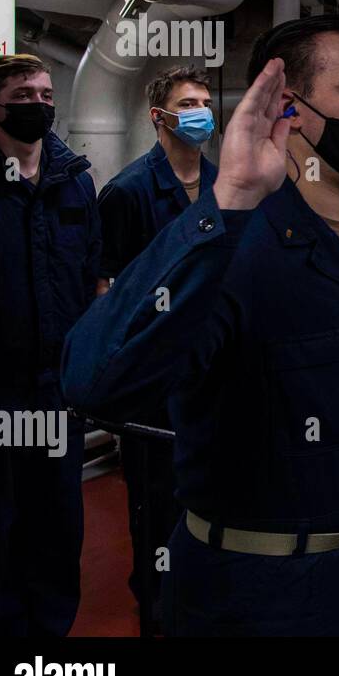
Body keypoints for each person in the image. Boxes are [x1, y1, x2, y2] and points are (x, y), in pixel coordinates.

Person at [63, 14, 339, 636]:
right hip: (264, 595)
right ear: (291, 105)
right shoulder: (231, 243)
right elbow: (93, 381)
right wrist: (229, 196)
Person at [0, 53, 101, 635]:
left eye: (47, 94)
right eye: (24, 95)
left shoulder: (75, 183)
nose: (40, 105)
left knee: (56, 524)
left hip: (56, 394)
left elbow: (94, 278)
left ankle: (47, 641)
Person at [96, 64, 218, 624]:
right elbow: (108, 298)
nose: (200, 112)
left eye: (205, 102)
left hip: (219, 376)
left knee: (218, 502)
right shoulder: (127, 194)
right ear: (159, 117)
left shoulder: (225, 187)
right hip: (156, 391)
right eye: (188, 103)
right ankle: (159, 613)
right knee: (160, 512)